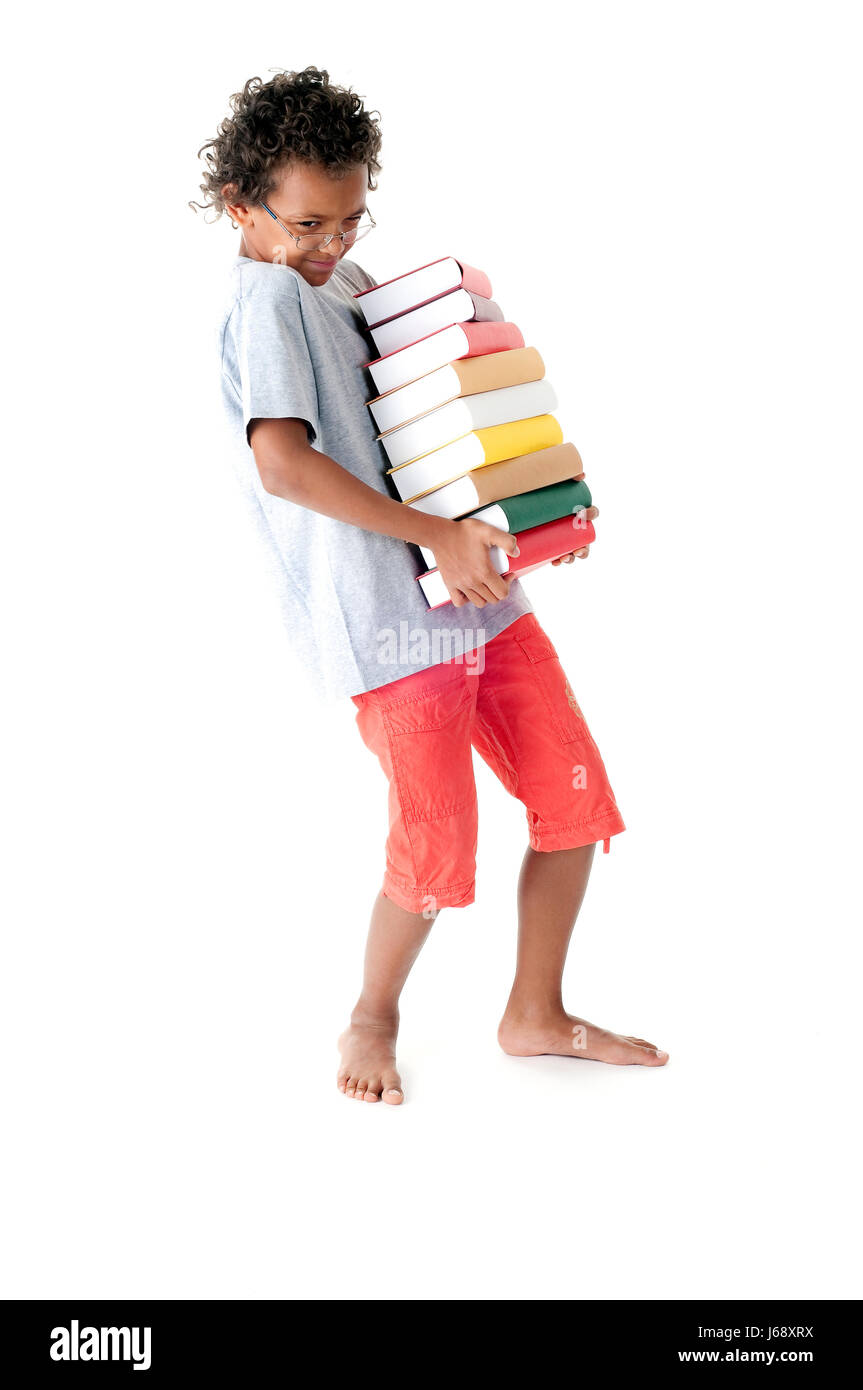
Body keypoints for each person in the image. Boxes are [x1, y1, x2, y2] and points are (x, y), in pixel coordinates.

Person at [193, 65, 668, 1106]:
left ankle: (533, 1012)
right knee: (434, 844)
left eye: (351, 221)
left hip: (476, 596)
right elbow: (283, 459)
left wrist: (523, 521)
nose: (332, 247)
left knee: (572, 800)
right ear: (243, 207)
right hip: (387, 623)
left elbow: (423, 427)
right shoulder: (267, 298)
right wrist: (437, 538)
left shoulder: (342, 284)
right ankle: (372, 1013)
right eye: (309, 224)